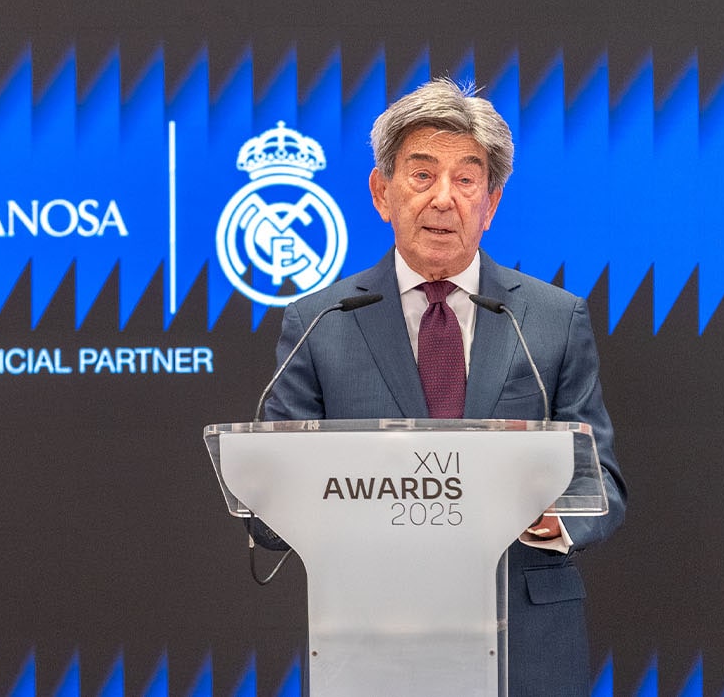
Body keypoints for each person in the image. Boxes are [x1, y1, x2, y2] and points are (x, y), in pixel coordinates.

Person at [261, 77, 628, 696]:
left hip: (523, 640)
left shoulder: (550, 317)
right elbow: (271, 490)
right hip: (371, 635)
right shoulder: (319, 322)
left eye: (466, 179)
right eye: (422, 174)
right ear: (382, 192)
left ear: (491, 202)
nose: (443, 200)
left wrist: (550, 516)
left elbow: (603, 483)